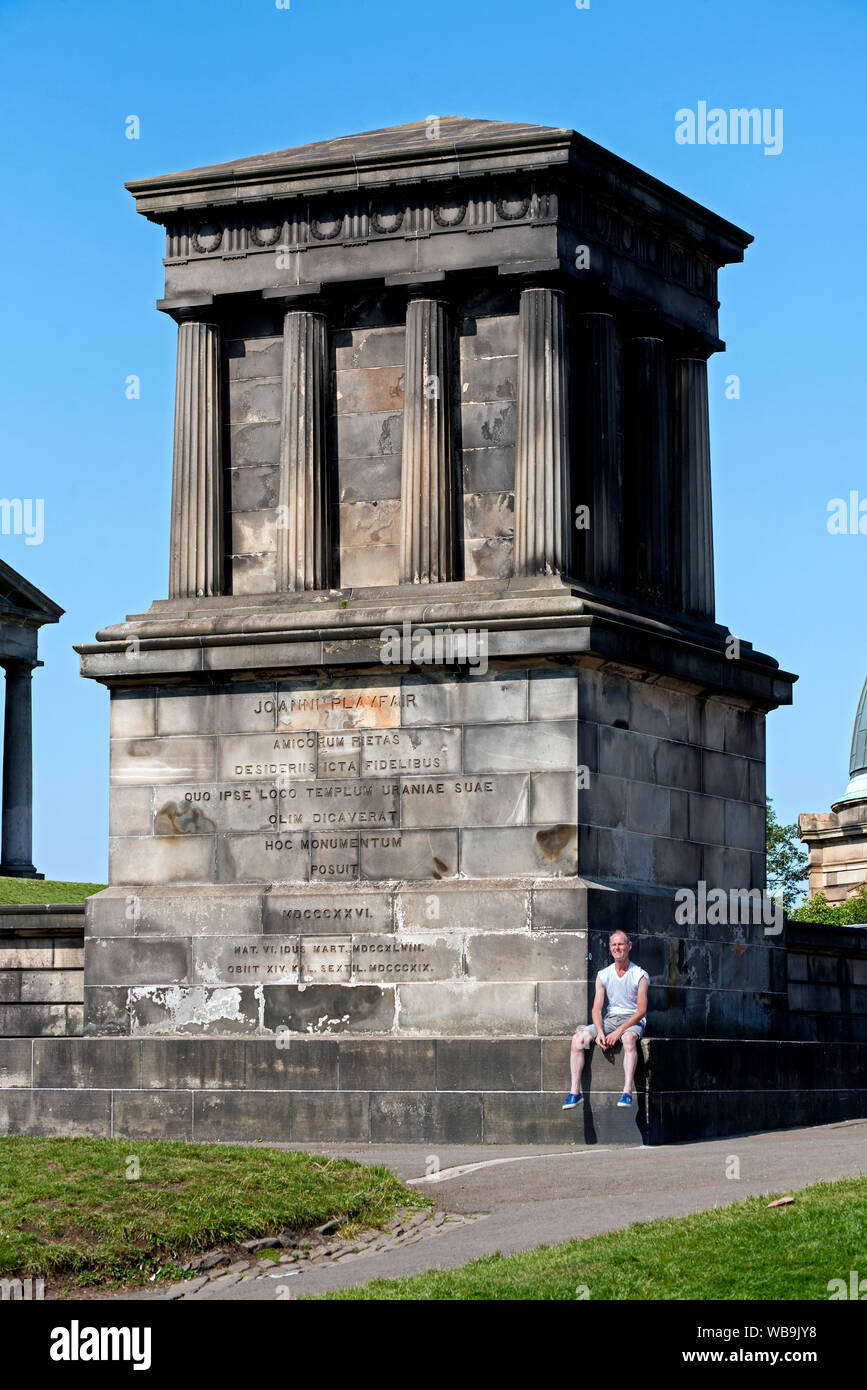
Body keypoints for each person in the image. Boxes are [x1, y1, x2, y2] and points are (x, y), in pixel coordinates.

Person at [563, 930, 648, 1110]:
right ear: (610, 948)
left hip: (633, 1020)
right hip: (611, 1019)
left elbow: (641, 1011)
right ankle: (574, 1093)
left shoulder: (640, 975)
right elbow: (596, 1009)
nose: (617, 948)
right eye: (614, 945)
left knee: (628, 1039)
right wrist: (600, 1032)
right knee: (578, 1040)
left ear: (629, 946)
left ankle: (626, 1093)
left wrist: (619, 1032)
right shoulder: (604, 975)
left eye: (621, 944)